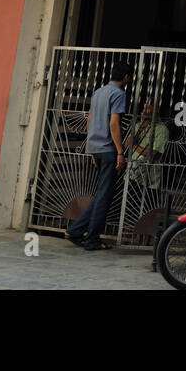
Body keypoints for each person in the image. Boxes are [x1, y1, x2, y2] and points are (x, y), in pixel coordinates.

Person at [66, 60, 130, 250]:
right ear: (126, 78)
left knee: (102, 193)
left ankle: (76, 230)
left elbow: (90, 121)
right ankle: (92, 239)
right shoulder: (118, 94)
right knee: (104, 196)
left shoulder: (98, 92)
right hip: (108, 149)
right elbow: (113, 124)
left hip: (95, 147)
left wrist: (92, 147)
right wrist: (120, 151)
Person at [125, 98, 169, 192]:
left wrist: (133, 145)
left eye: (148, 108)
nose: (144, 111)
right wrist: (141, 128)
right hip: (133, 173)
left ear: (155, 111)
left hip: (148, 176)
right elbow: (126, 145)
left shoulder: (162, 129)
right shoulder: (138, 126)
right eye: (144, 108)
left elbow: (152, 154)